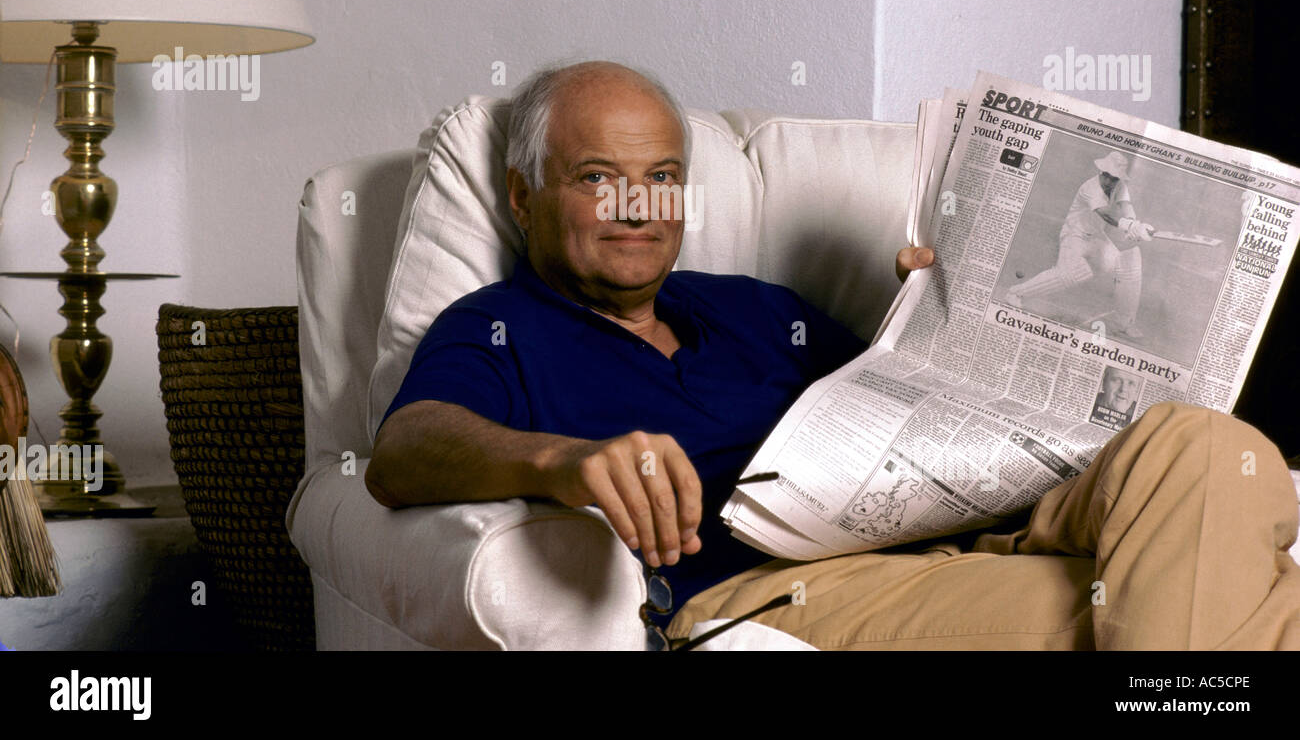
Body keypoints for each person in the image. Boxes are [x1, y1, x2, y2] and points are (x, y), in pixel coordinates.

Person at [365, 61, 1300, 650]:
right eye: (598, 179)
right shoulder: (499, 327)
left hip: (974, 529)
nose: (639, 207)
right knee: (1234, 611)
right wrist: (561, 459)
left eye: (662, 178)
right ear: (525, 199)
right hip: (779, 593)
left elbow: (909, 416)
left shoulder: (758, 310)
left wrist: (952, 316)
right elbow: (404, 451)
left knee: (1208, 449)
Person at [1006, 150, 1150, 338]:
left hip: (1096, 239)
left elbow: (1126, 206)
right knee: (1074, 274)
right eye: (1107, 175)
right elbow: (1105, 213)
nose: (1110, 181)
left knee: (1130, 259)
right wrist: (1127, 224)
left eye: (1114, 178)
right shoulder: (1089, 188)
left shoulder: (1119, 185)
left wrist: (1134, 223)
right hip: (1074, 237)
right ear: (1102, 171)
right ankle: (1016, 293)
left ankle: (1123, 322)